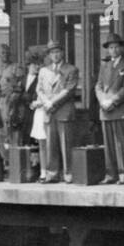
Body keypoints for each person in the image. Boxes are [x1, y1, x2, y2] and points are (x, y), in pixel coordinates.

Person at [31, 41, 78, 184]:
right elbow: (39, 89)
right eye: (52, 53)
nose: (55, 55)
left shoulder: (71, 69)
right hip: (48, 111)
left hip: (63, 110)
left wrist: (52, 102)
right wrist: (45, 102)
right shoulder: (44, 71)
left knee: (66, 144)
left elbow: (69, 90)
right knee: (50, 144)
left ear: (62, 53)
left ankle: (68, 173)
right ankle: (52, 174)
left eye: (57, 52)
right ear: (49, 55)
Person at [94, 34, 124, 184]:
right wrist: (102, 100)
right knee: (108, 144)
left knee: (122, 142)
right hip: (105, 109)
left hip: (119, 109)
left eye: (116, 47)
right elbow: (98, 85)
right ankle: (111, 174)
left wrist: (113, 101)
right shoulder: (105, 66)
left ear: (122, 48)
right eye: (111, 47)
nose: (114, 50)